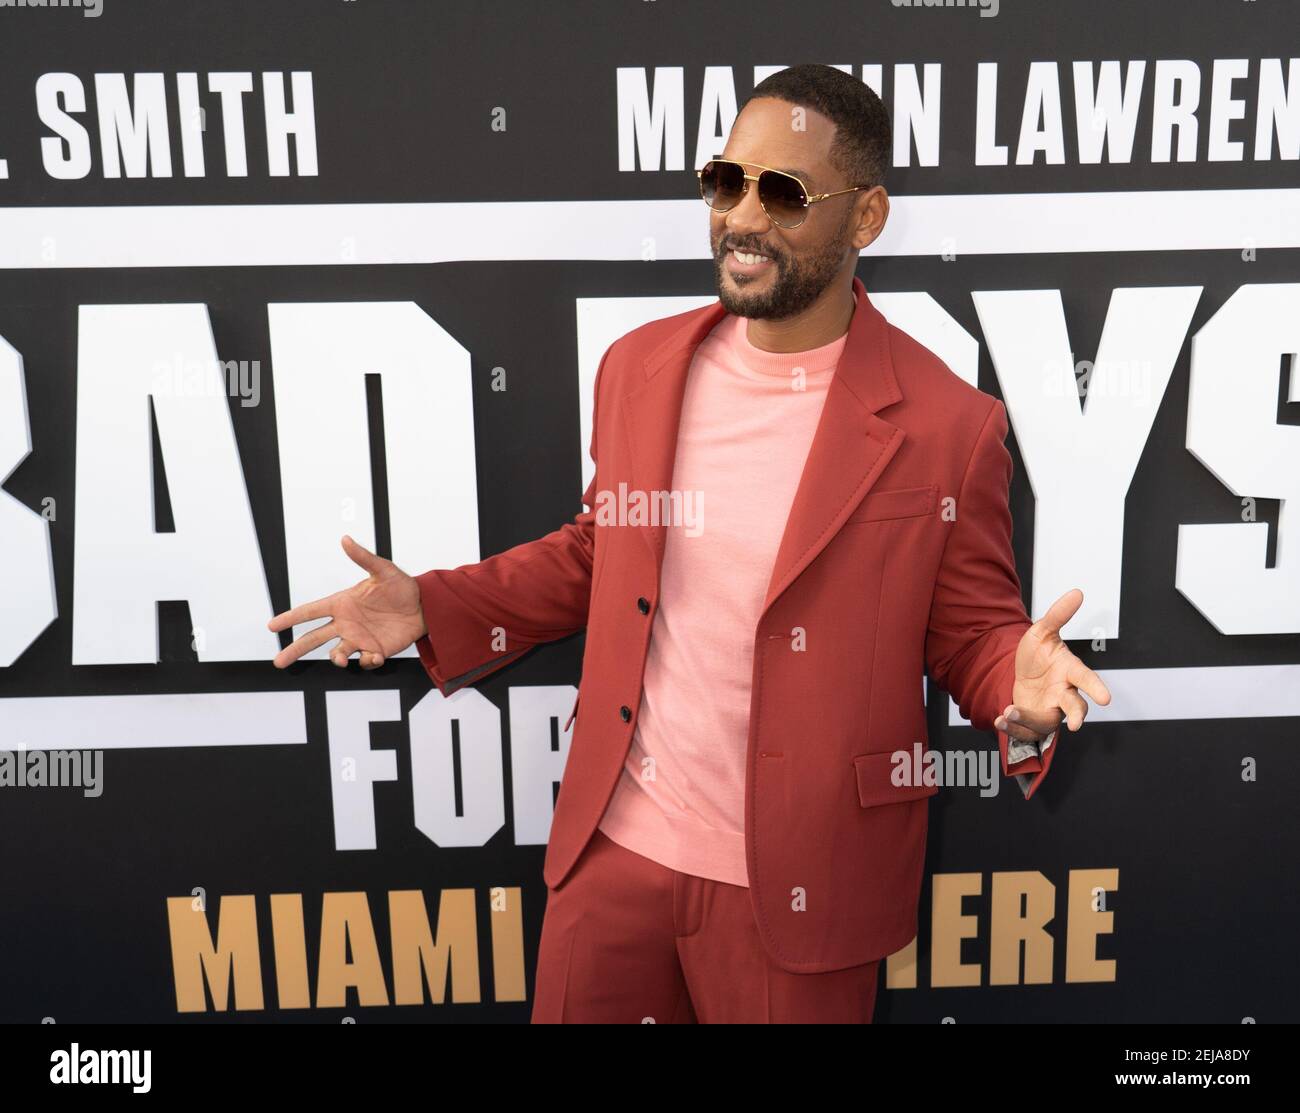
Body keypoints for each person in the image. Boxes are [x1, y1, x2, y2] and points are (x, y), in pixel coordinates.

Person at [268, 63, 1111, 1023]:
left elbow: (967, 637)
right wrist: (436, 603)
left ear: (866, 217)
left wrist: (1020, 695)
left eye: (784, 193)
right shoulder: (642, 367)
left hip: (804, 891)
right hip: (615, 857)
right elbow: (601, 556)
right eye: (725, 182)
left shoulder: (947, 427)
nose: (741, 217)